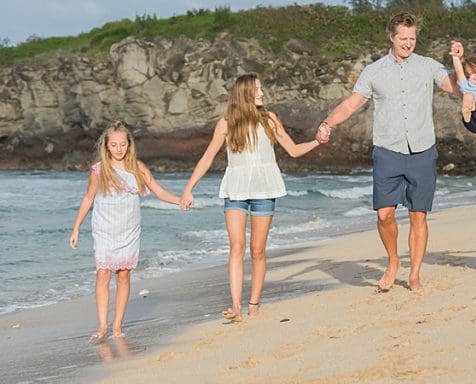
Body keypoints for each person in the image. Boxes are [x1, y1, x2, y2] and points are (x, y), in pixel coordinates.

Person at [316, 12, 459, 292]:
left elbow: (456, 86)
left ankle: (414, 274)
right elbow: (351, 104)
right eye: (403, 38)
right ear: (391, 37)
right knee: (384, 215)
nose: (408, 43)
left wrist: (457, 60)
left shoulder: (428, 66)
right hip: (387, 151)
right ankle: (393, 261)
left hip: (422, 149)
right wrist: (327, 123)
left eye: (412, 38)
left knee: (418, 216)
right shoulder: (374, 71)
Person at [180, 74, 322, 322]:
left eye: (261, 88)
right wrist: (188, 188)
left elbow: (293, 150)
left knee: (257, 251)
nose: (261, 92)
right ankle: (235, 306)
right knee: (236, 247)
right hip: (235, 189)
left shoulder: (270, 119)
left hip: (264, 190)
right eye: (256, 89)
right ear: (244, 93)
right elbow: (207, 157)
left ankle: (253, 304)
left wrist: (317, 142)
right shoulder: (226, 123)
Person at [69, 120, 183, 339]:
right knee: (103, 273)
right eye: (114, 145)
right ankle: (102, 326)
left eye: (123, 144)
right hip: (104, 228)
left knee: (123, 275)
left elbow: (159, 191)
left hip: (129, 229)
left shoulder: (138, 168)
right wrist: (76, 228)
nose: (119, 149)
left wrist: (179, 201)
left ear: (129, 145)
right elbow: (88, 198)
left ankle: (117, 326)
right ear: (106, 147)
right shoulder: (99, 170)